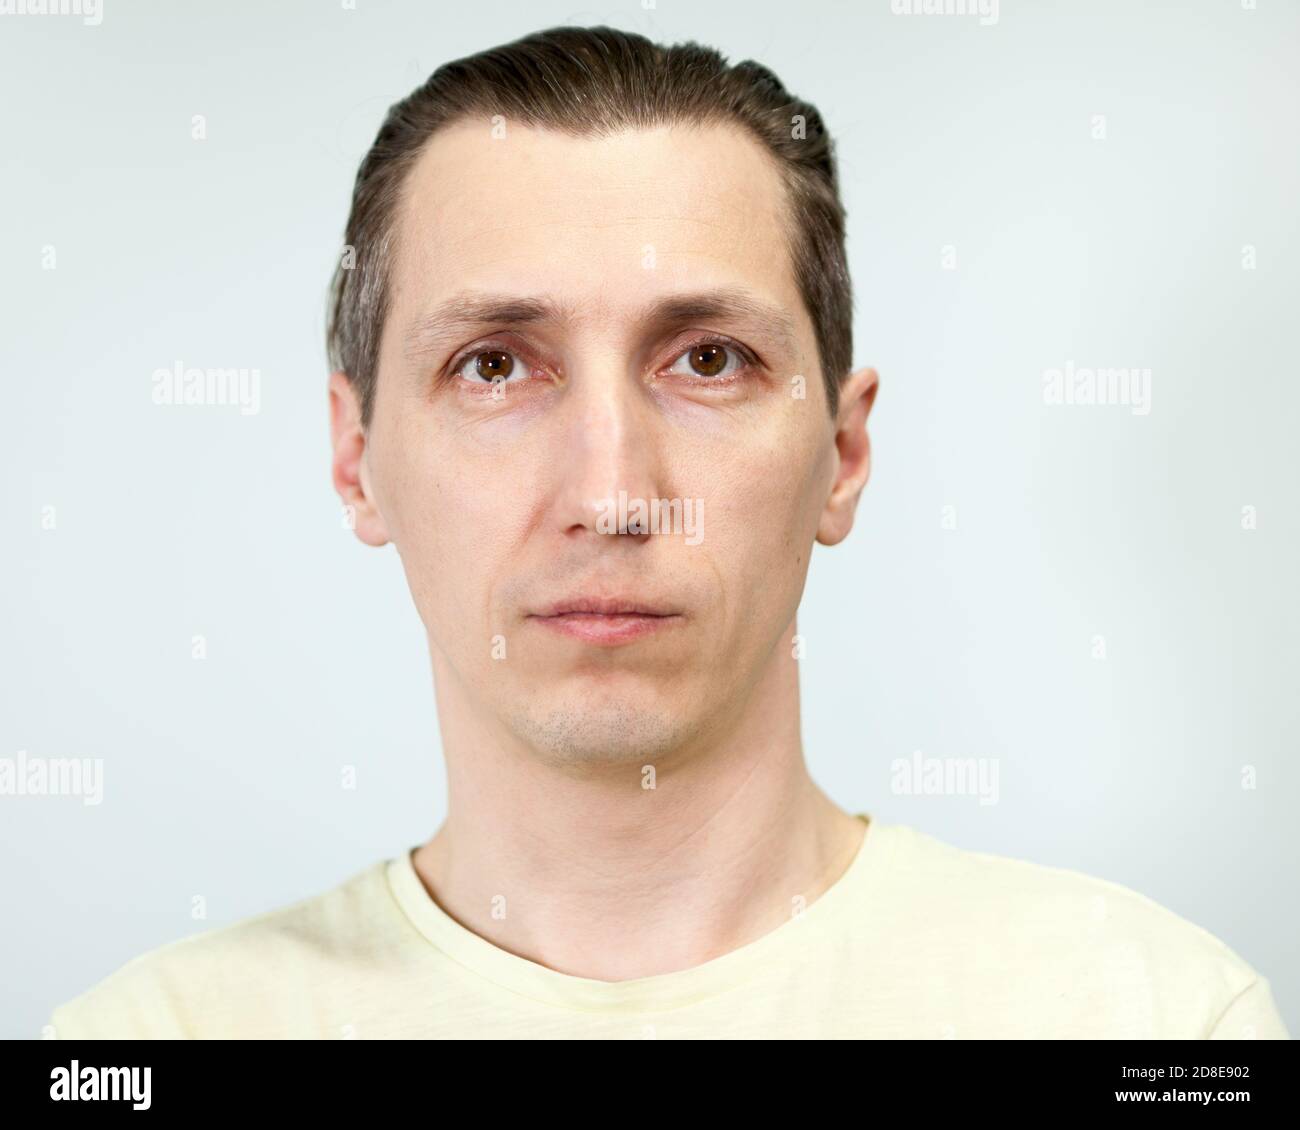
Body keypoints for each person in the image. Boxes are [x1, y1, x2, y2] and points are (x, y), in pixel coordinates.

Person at [48, 25, 1287, 1039]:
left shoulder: (1153, 1023)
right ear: (353, 457)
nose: (614, 492)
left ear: (842, 455)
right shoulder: (140, 1049)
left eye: (708, 358)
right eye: (493, 365)